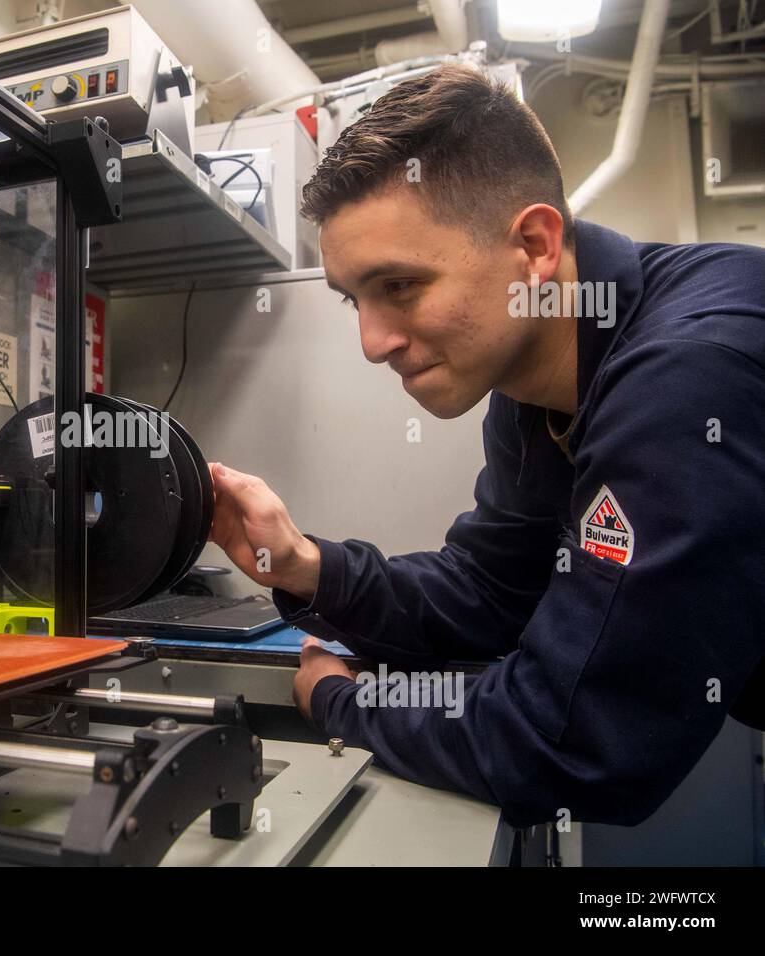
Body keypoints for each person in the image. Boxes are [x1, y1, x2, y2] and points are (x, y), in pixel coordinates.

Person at [207, 64, 765, 826]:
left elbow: (573, 743)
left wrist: (343, 703)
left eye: (399, 286)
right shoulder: (530, 392)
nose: (373, 343)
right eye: (354, 300)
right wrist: (308, 567)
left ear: (534, 246)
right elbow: (493, 589)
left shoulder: (687, 378)